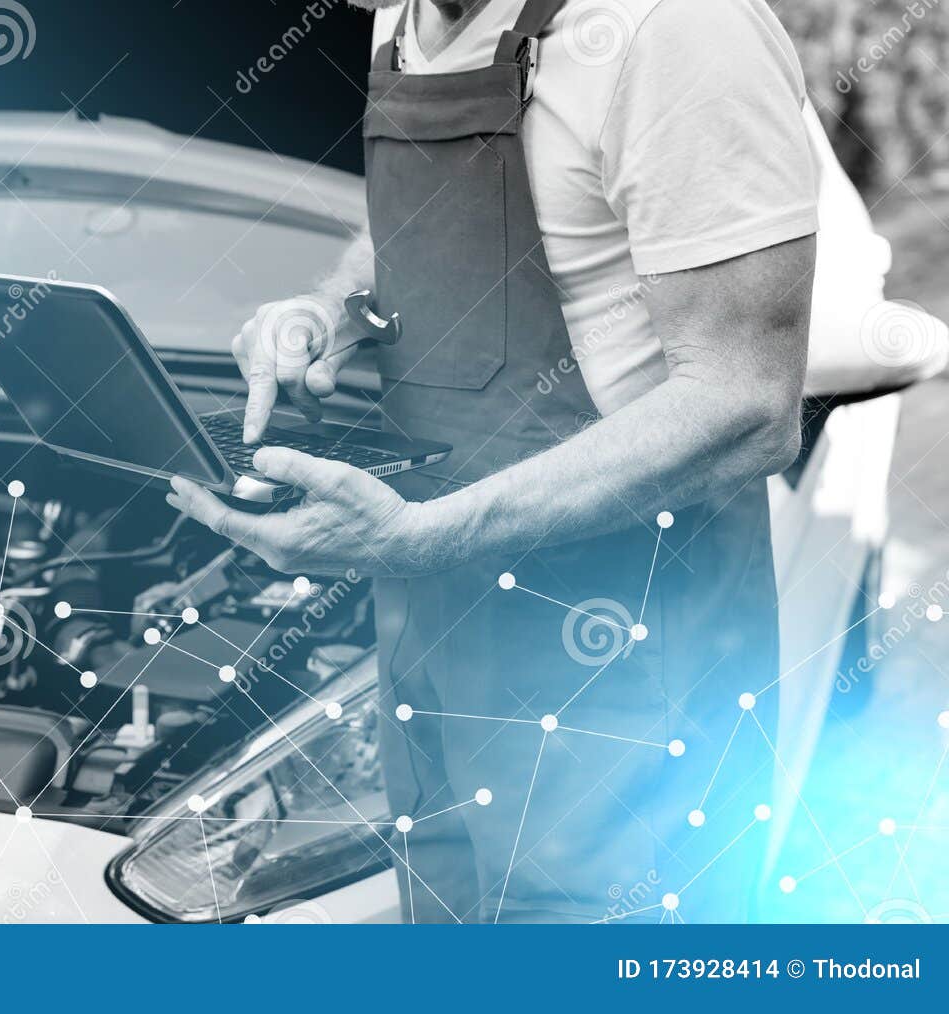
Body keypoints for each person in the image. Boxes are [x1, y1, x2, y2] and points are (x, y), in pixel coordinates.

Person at [166, 0, 818, 922]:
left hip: (621, 655)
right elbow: (436, 222)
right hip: (431, 631)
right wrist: (334, 309)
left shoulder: (676, 29)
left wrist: (427, 534)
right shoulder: (406, 16)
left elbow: (746, 402)